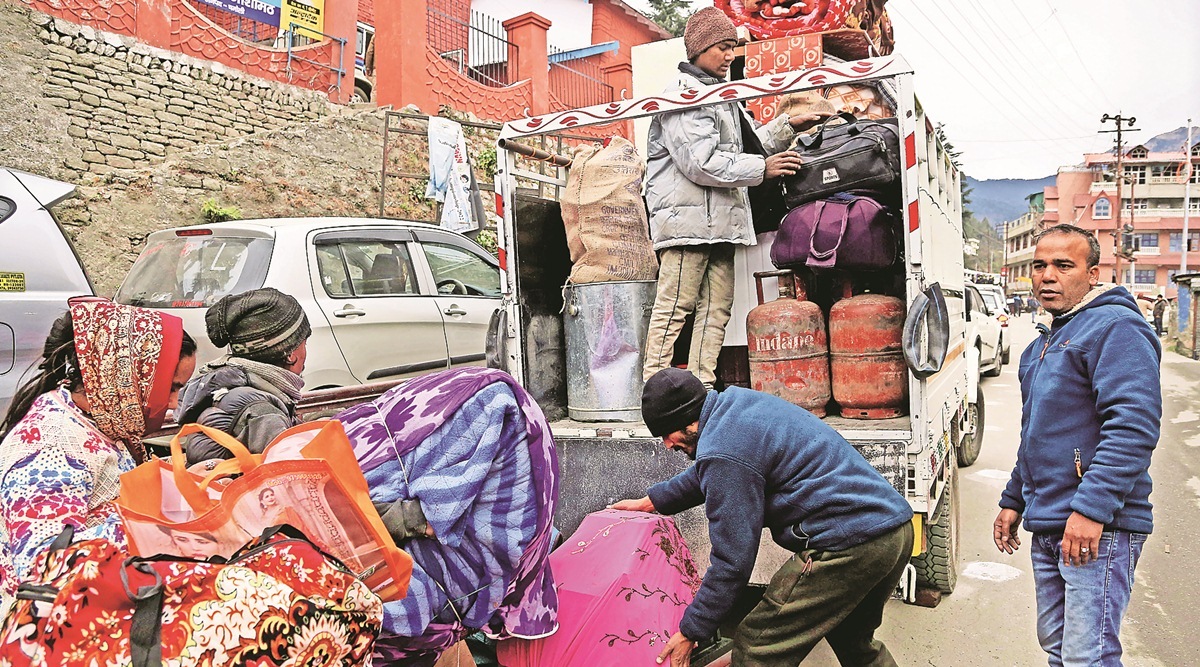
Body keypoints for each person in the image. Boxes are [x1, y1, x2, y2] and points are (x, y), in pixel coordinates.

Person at [612, 368, 914, 667]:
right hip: (892, 531)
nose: (666, 444)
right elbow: (712, 470)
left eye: (668, 433)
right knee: (854, 641)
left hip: (848, 546)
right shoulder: (732, 407)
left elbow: (732, 563)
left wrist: (690, 632)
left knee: (757, 648)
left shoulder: (723, 451)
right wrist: (650, 502)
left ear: (689, 420)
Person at [993, 224, 1160, 667]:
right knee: (1059, 652)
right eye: (1039, 266)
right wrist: (1014, 499)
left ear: (1092, 273)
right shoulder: (1040, 347)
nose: (1047, 276)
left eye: (1063, 265)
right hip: (1049, 526)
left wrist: (1091, 510)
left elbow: (1133, 427)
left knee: (1089, 658)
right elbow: (1038, 435)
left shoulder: (1116, 329)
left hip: (1097, 528)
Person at [642, 6, 829, 388]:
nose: (730, 55)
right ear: (697, 49)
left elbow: (749, 144)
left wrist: (788, 124)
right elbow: (701, 163)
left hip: (720, 223)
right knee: (675, 306)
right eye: (722, 47)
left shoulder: (722, 95)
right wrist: (763, 169)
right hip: (688, 225)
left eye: (732, 47)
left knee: (716, 310)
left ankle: (701, 389)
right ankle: (654, 388)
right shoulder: (683, 96)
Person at [0, 298, 196, 610]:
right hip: (53, 627)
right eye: (170, 388)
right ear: (127, 377)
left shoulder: (101, 424)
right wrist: (159, 525)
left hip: (109, 593)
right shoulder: (50, 446)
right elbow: (44, 570)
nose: (173, 404)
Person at [178, 288, 311, 466]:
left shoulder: (230, 385)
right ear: (290, 353)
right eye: (304, 342)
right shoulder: (261, 412)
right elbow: (292, 475)